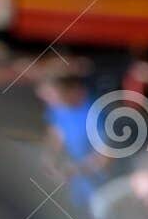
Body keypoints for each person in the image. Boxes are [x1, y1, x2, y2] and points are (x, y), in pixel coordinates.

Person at [38, 71, 108, 207]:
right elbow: (57, 132)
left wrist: (74, 170)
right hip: (80, 184)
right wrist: (50, 158)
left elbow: (106, 156)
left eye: (53, 97)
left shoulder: (98, 112)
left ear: (73, 91)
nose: (51, 103)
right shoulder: (58, 108)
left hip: (103, 184)